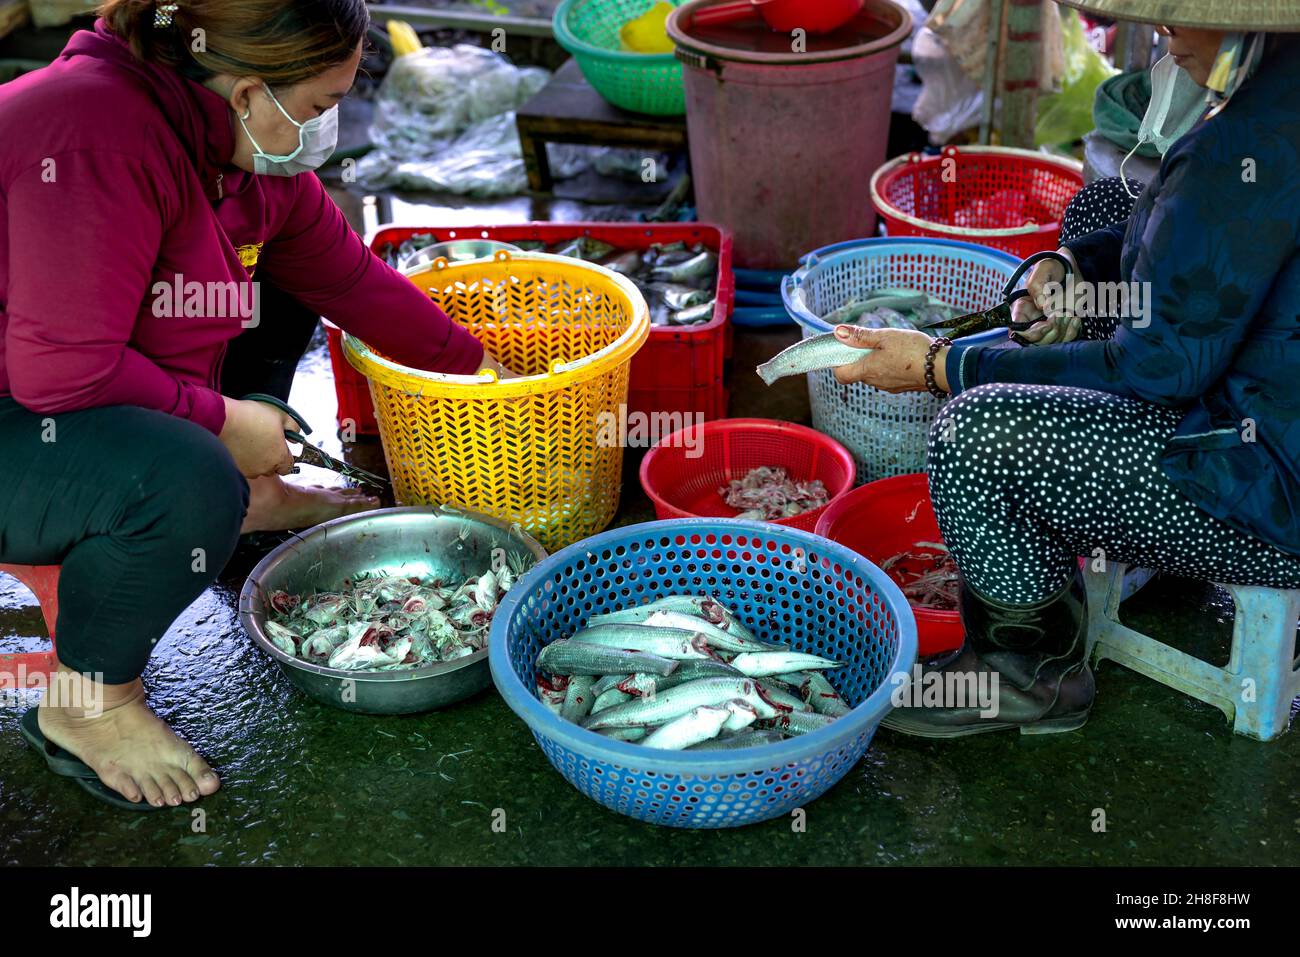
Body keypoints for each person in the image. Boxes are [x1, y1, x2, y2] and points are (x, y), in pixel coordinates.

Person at [0, 0, 511, 808]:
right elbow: (60, 374)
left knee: (278, 280)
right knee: (186, 479)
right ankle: (89, 704)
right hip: (25, 409)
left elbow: (348, 279)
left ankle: (248, 492)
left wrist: (482, 365)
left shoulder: (228, 152)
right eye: (318, 106)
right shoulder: (92, 135)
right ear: (245, 93)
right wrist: (223, 424)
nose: (330, 127)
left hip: (65, 379)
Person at [831, 2, 1300, 736]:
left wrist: (940, 365)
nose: (1167, 43)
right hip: (1263, 395)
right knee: (1100, 205)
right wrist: (1073, 263)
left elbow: (1158, 368)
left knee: (970, 437)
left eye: (1179, 24)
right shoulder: (1274, 90)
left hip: (1271, 492)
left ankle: (1027, 675)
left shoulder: (1249, 146)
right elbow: (1190, 242)